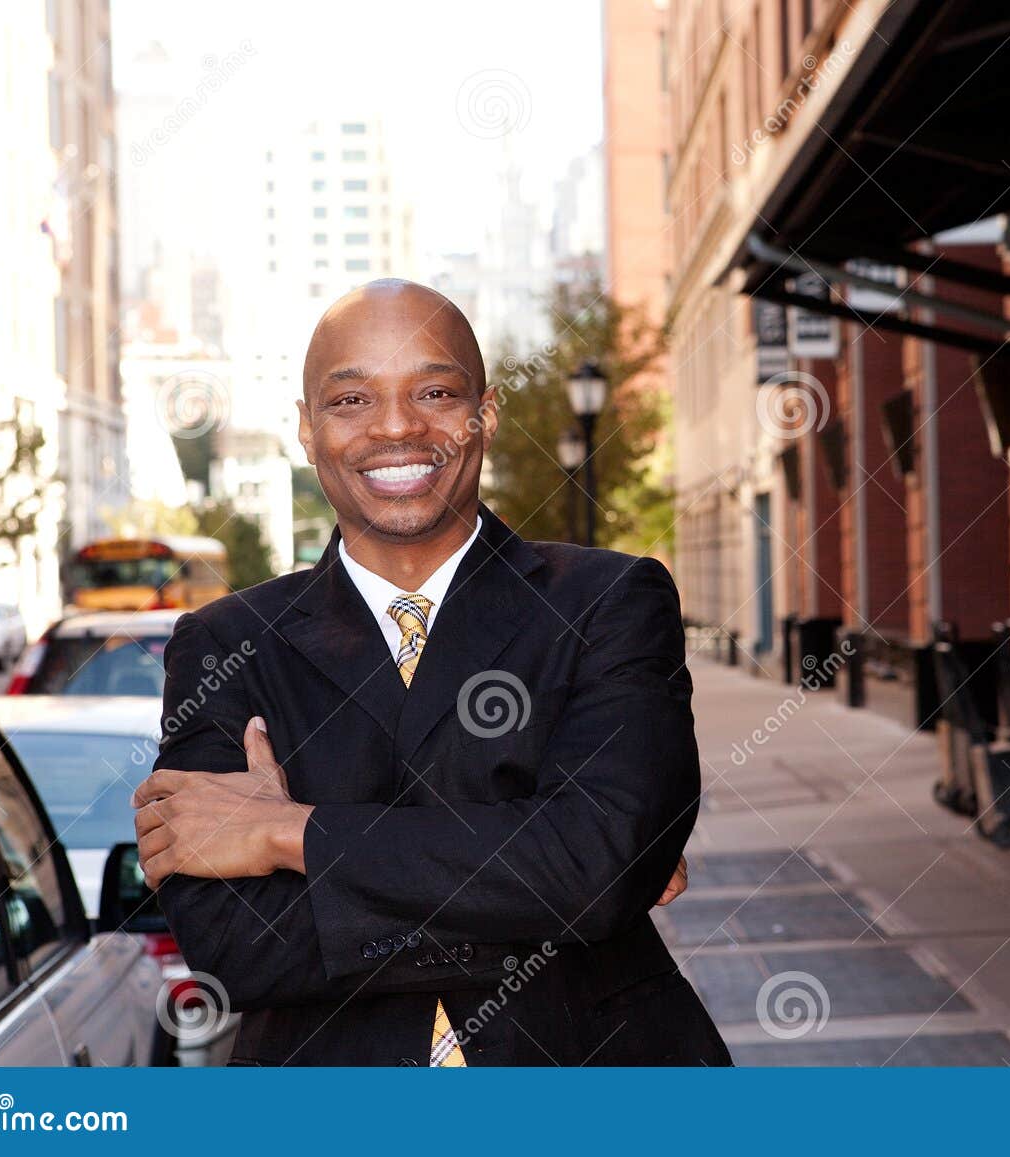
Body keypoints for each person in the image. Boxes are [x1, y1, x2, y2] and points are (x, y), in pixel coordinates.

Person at [131, 279, 731, 1067]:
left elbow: (597, 865)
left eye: (436, 390)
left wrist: (288, 831)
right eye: (350, 401)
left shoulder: (610, 601)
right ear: (308, 430)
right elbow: (239, 946)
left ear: (483, 413)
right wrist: (552, 891)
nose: (396, 426)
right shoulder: (226, 643)